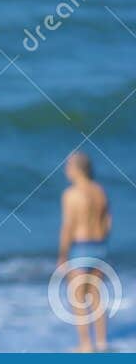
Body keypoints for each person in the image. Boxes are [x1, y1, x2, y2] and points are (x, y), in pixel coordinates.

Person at [57, 149, 113, 352]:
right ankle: (101, 341)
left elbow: (68, 227)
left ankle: (85, 344)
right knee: (97, 295)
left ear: (76, 169)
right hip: (99, 246)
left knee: (79, 297)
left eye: (68, 165)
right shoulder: (100, 190)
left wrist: (62, 255)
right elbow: (107, 221)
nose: (65, 169)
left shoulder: (70, 194)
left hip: (80, 248)